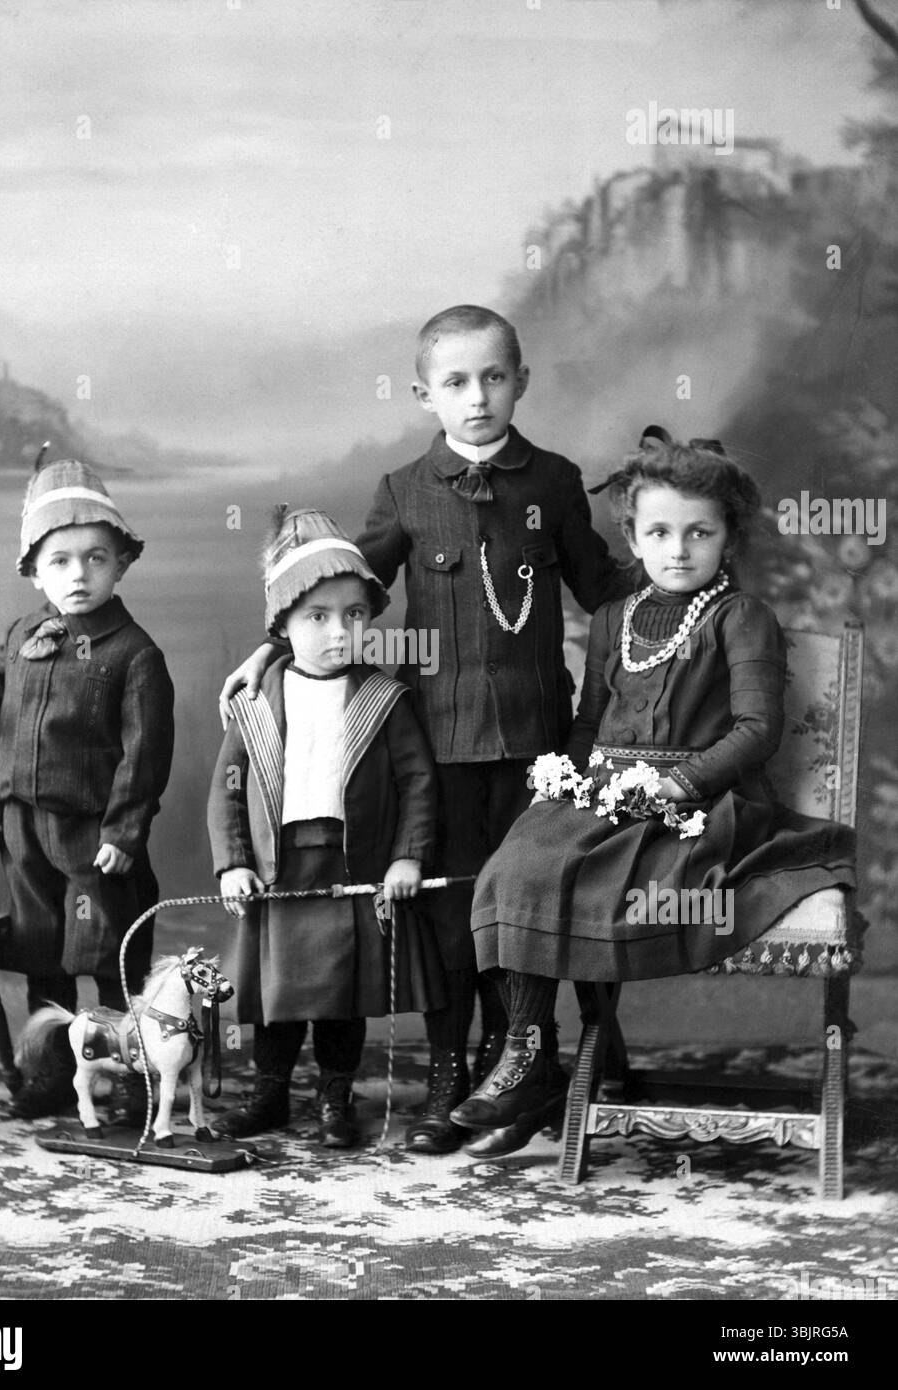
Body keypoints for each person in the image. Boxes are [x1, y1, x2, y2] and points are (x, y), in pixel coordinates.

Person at [218, 305, 627, 1156]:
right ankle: (449, 1078)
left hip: (539, 746)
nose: (475, 399)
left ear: (520, 382)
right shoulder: (403, 491)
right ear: (422, 394)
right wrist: (267, 653)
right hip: (437, 744)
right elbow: (334, 584)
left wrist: (684, 595)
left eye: (492, 378)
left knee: (526, 899)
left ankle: (517, 1058)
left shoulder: (552, 481)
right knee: (446, 915)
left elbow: (603, 590)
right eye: (454, 383)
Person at [453, 428, 858, 1135]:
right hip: (607, 795)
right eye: (659, 532)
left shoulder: (740, 618)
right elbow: (588, 721)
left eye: (698, 532)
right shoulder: (613, 617)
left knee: (602, 877)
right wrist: (566, 787)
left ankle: (558, 1055)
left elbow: (755, 729)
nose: (678, 549)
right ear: (633, 539)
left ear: (726, 539)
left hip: (696, 808)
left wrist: (680, 786)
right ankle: (527, 1053)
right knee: (515, 865)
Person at [0, 454, 174, 1120]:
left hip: (93, 834)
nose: (79, 574)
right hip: (24, 828)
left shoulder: (134, 654)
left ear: (121, 564)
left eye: (96, 558)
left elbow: (144, 757)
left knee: (108, 954)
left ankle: (128, 1077)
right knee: (44, 952)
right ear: (34, 571)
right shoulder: (24, 634)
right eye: (60, 561)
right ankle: (52, 1073)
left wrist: (125, 833)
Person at [208, 507, 443, 1149]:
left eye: (355, 615)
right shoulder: (256, 701)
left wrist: (407, 858)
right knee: (278, 996)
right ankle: (269, 1095)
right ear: (281, 625)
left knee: (341, 996)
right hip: (279, 869)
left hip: (349, 869)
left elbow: (418, 783)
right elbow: (227, 790)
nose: (340, 632)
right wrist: (233, 861)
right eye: (317, 617)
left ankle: (335, 1098)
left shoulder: (383, 698)